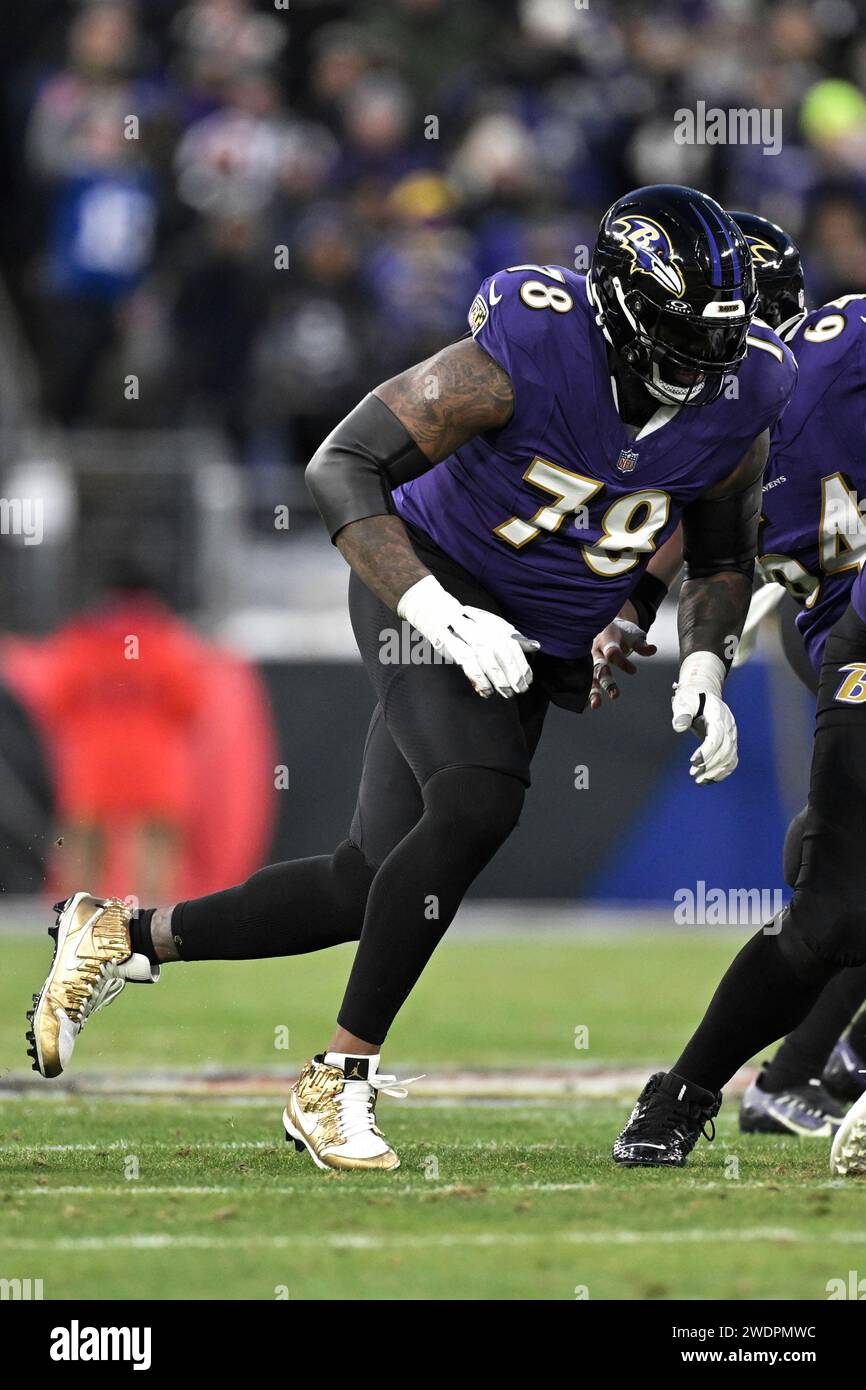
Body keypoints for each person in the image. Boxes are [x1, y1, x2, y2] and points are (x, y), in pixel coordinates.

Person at [28, 185, 796, 1174]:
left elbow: (723, 545)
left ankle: (122, 933)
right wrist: (437, 611)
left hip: (543, 632)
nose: (706, 365)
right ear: (619, 311)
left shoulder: (746, 388)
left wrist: (690, 647)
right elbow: (342, 464)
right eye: (683, 339)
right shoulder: (532, 344)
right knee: (478, 803)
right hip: (432, 581)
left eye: (717, 341)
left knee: (366, 881)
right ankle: (335, 1081)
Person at [612, 214, 866, 1173]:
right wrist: (658, 621)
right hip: (855, 634)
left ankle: (815, 1072)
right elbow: (700, 516)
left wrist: (639, 607)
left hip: (828, 614)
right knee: (834, 915)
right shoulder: (796, 372)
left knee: (842, 898)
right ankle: (690, 1093)